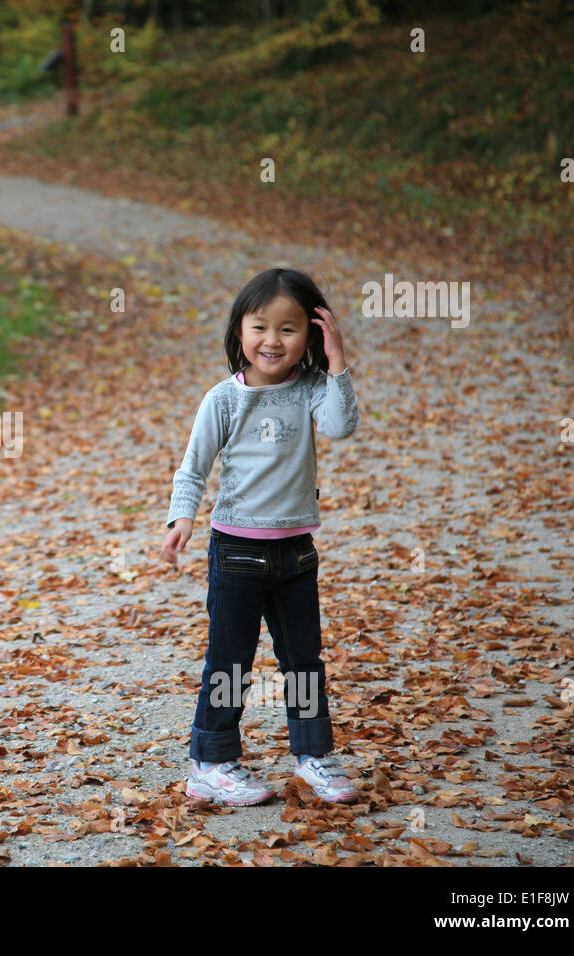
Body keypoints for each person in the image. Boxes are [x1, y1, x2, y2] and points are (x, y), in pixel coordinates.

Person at [159, 268, 362, 806]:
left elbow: (341, 425)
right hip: (237, 551)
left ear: (311, 337)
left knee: (304, 660)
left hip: (296, 551)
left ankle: (313, 755)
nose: (272, 340)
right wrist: (182, 518)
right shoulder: (223, 400)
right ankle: (211, 762)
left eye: (290, 329)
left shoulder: (314, 390)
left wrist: (338, 361)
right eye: (260, 327)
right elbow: (193, 467)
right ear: (239, 332)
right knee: (229, 662)